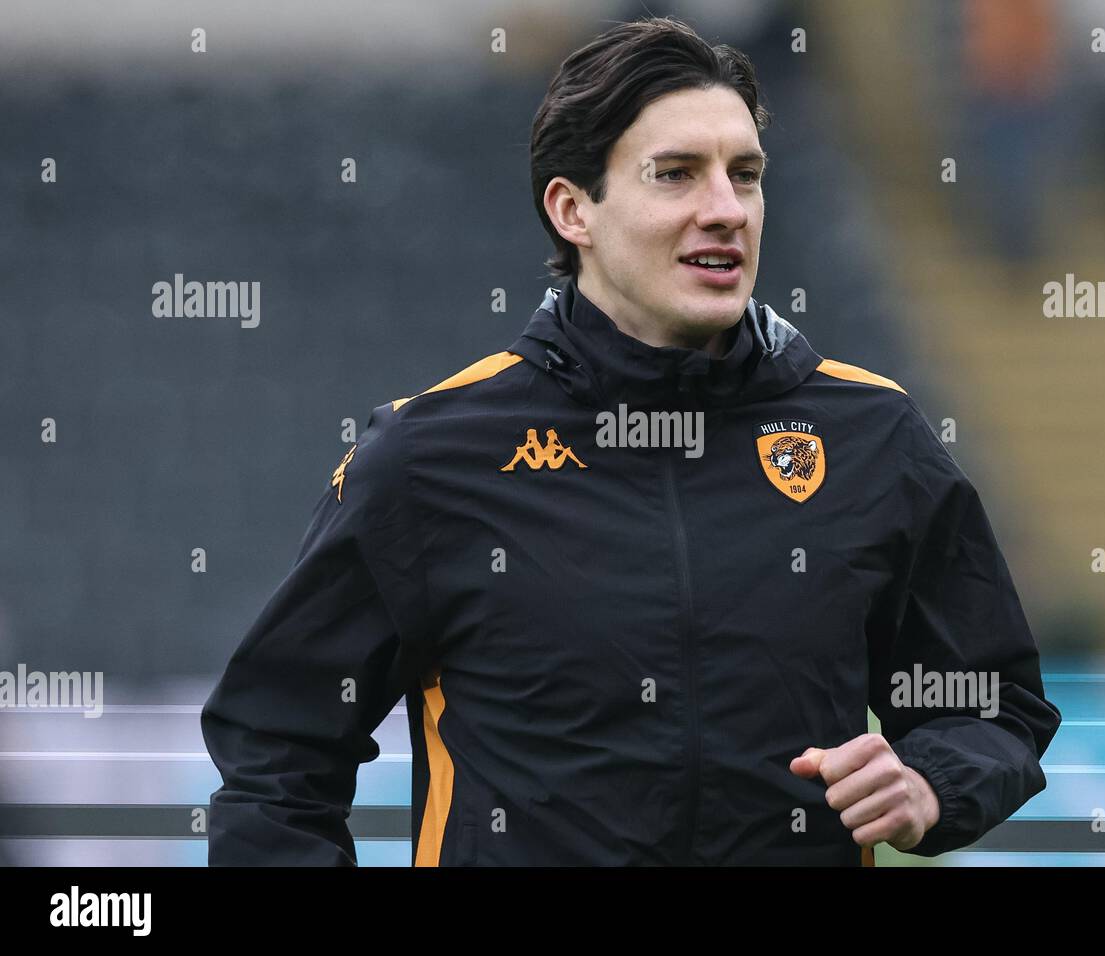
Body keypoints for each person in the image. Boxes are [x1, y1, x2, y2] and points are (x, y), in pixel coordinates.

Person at [202, 15, 1061, 866]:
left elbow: (990, 702)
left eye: (746, 175)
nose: (725, 209)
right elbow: (276, 750)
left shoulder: (872, 435)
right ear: (574, 210)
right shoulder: (430, 457)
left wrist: (931, 781)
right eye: (677, 175)